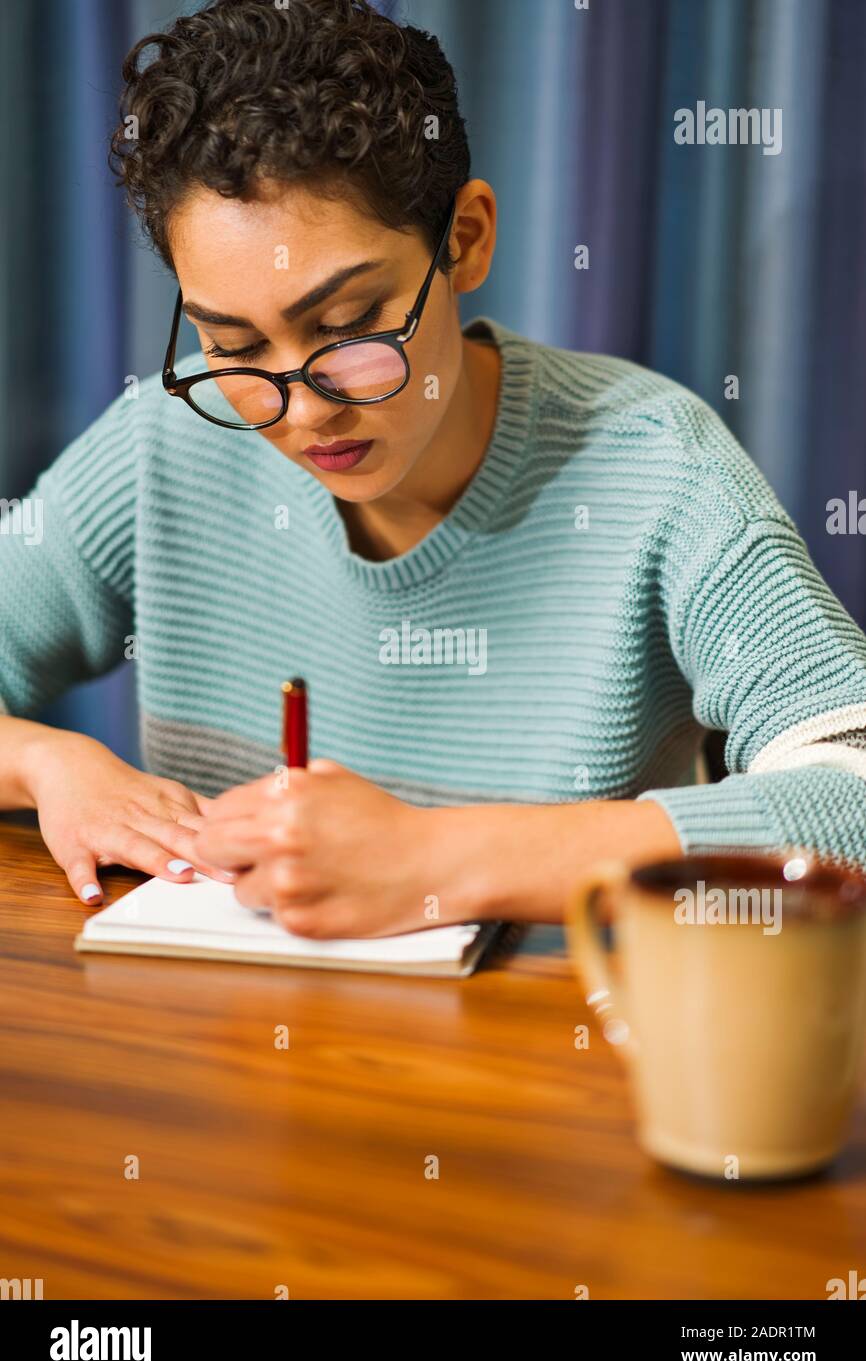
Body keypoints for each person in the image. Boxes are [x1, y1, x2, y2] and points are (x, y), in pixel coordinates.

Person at [2, 0, 865, 938]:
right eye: (235, 344)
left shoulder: (658, 471)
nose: (304, 408)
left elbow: (852, 792)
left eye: (350, 327)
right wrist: (48, 763)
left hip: (538, 1058)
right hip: (227, 1053)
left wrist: (432, 860)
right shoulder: (165, 448)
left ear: (465, 240)